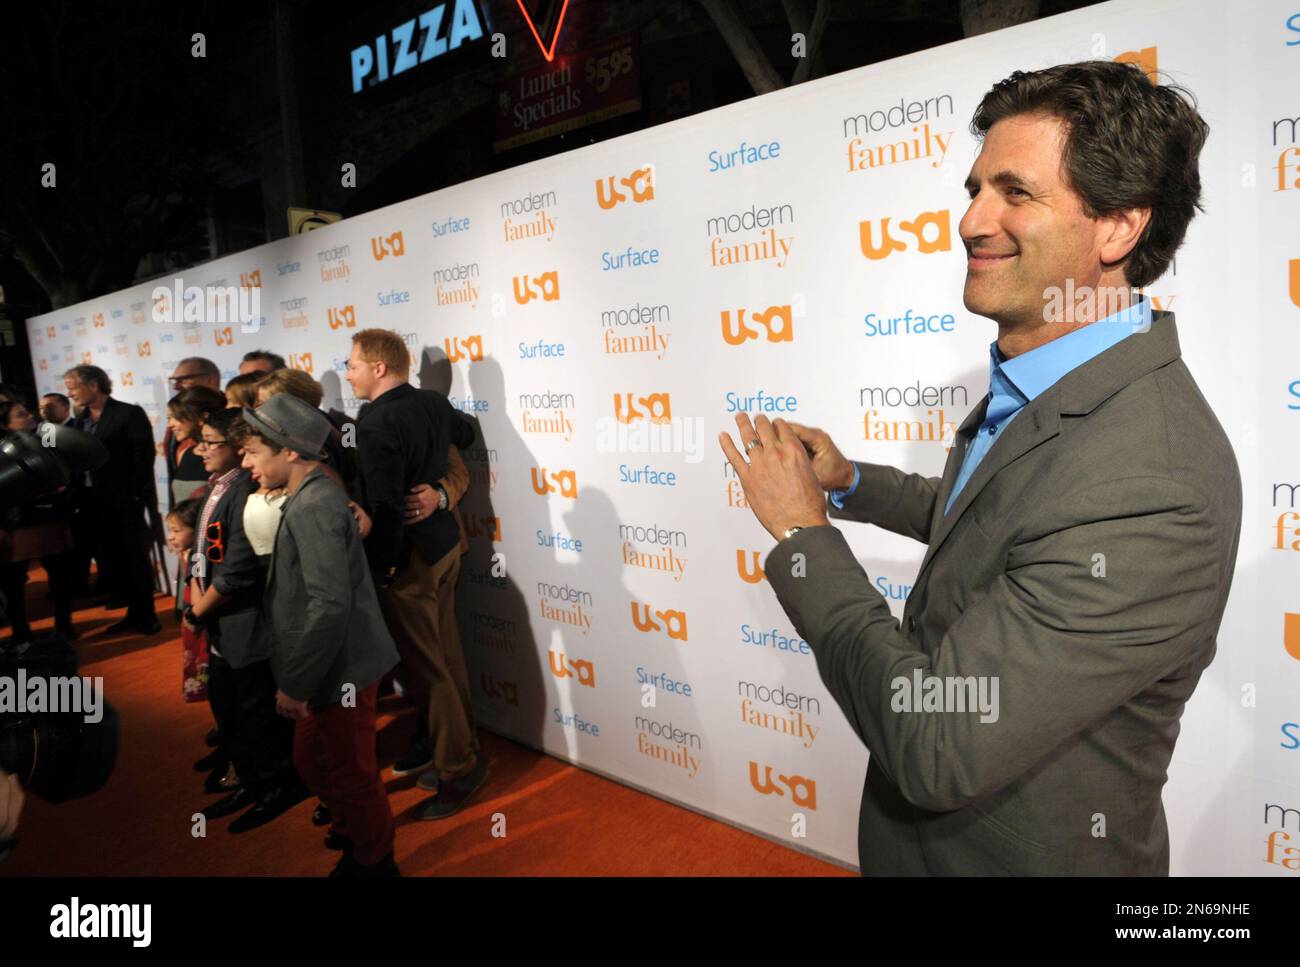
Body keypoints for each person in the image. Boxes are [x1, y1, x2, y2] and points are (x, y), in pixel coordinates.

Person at [719, 60, 1242, 875]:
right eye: (974, 189)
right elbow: (997, 523)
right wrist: (853, 481)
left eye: (1015, 193)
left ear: (1118, 228)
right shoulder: (1048, 374)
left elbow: (935, 737)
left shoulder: (1154, 483)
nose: (971, 221)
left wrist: (799, 530)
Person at [239, 393, 400, 876]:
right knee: (312, 759)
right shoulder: (311, 495)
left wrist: (296, 684)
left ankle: (374, 861)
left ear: (289, 451)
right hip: (328, 665)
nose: (245, 463)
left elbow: (329, 605)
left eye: (253, 453)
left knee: (352, 773)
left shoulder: (314, 506)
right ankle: (355, 831)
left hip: (342, 667)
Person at [345, 329, 479, 820]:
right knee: (448, 658)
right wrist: (440, 487)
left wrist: (382, 570)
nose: (349, 373)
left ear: (379, 367)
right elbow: (465, 435)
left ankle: (457, 769)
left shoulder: (374, 422)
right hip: (445, 550)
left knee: (429, 673)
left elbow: (381, 507)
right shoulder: (431, 403)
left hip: (410, 564)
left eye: (354, 364)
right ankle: (464, 753)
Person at [186, 408, 303, 833]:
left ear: (238, 449)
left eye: (210, 442)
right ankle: (251, 780)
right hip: (220, 619)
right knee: (231, 707)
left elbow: (238, 569)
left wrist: (197, 609)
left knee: (258, 712)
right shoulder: (221, 485)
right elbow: (207, 549)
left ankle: (278, 784)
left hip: (245, 621)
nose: (200, 450)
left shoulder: (245, 491)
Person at [63, 364, 161, 636]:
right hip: (90, 501)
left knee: (135, 558)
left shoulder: (128, 414)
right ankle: (132, 611)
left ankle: (146, 616)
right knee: (113, 559)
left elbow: (144, 458)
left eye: (73, 388)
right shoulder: (79, 419)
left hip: (123, 500)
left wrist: (134, 495)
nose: (70, 394)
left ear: (93, 385)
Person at [0, 400, 76, 640]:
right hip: (16, 524)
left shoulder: (48, 440)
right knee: (13, 582)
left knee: (62, 576)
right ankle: (20, 629)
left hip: (51, 518)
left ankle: (64, 625)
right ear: (6, 425)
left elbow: (67, 473)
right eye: (21, 414)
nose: (30, 416)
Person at [166, 387, 227, 508]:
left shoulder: (224, 455)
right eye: (169, 418)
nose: (170, 425)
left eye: (176, 417)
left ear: (202, 417)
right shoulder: (186, 453)